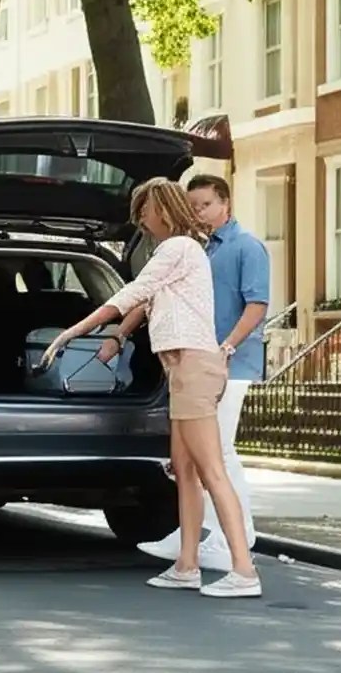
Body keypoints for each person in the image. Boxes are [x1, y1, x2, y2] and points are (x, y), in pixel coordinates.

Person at [38, 177, 261, 598]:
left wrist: (70, 332)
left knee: (210, 471)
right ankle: (187, 565)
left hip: (193, 368)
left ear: (162, 209)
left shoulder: (177, 248)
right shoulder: (181, 252)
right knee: (185, 471)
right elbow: (145, 303)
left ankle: (244, 571)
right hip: (181, 370)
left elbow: (131, 293)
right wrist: (118, 336)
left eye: (145, 208)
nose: (140, 217)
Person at [104, 173, 268, 572]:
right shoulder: (192, 248)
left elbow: (257, 305)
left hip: (229, 362)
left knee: (218, 452)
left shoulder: (246, 247)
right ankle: (191, 541)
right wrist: (120, 334)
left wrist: (226, 348)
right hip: (193, 361)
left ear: (226, 204)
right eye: (192, 205)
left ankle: (234, 541)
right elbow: (149, 295)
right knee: (191, 460)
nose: (198, 212)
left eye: (206, 204)